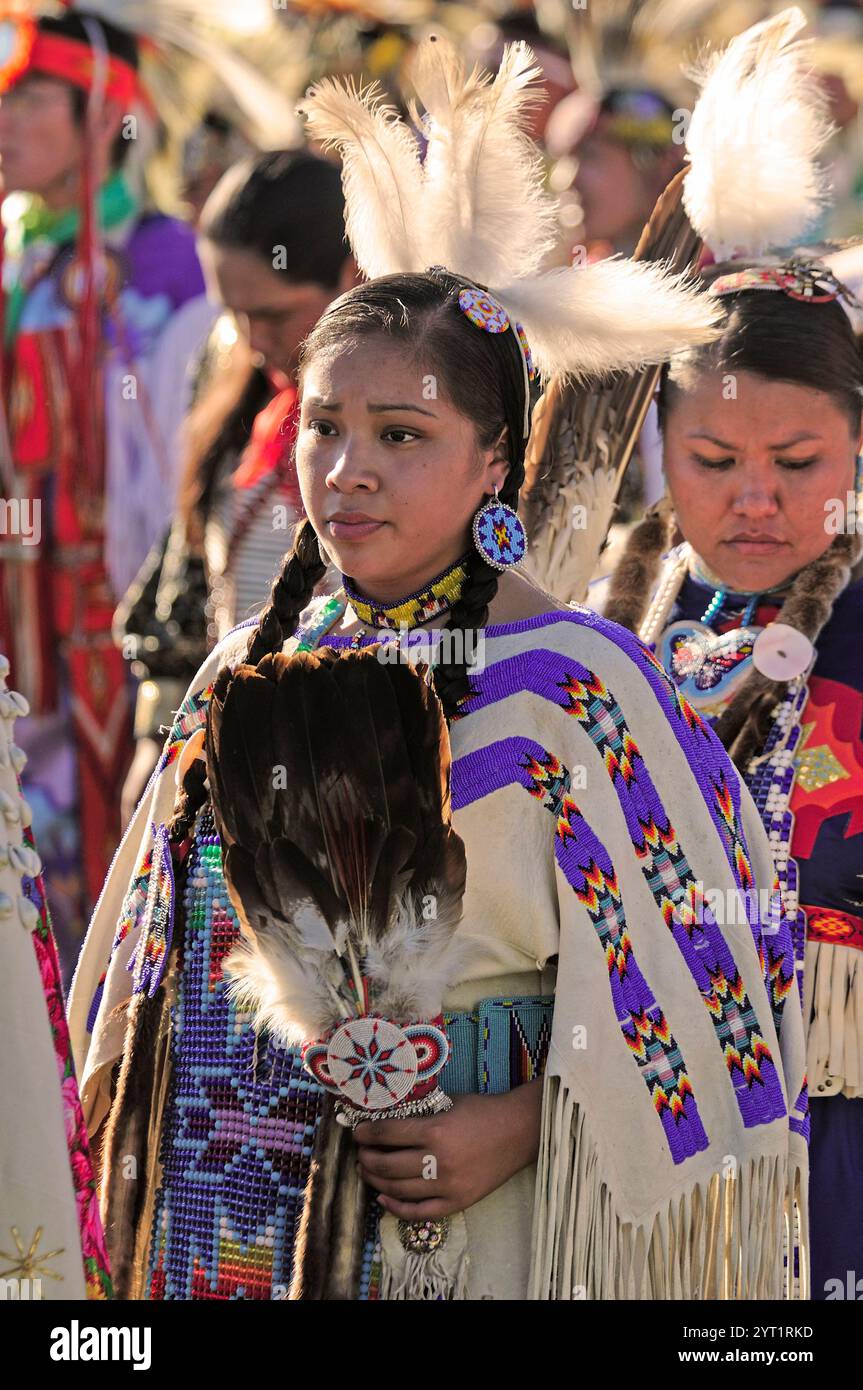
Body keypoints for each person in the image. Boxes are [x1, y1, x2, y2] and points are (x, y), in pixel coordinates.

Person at [68, 32, 805, 1302]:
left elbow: (721, 989)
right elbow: (145, 969)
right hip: (250, 1222)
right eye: (324, 426)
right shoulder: (248, 670)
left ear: (492, 466)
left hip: (495, 1227)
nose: (346, 468)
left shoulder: (583, 686)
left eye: (400, 433)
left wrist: (519, 1120)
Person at [601, 9, 862, 1302]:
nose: (751, 501)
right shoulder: (601, 645)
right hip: (641, 1164)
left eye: (796, 466)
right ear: (656, 452)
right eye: (711, 463)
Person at [0, 9, 207, 978]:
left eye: (31, 94)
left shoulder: (166, 273)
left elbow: (169, 479)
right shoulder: (16, 257)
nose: (3, 116)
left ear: (107, 117)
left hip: (104, 646)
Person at [115, 150, 355, 821]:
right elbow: (182, 588)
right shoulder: (235, 392)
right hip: (223, 777)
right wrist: (154, 745)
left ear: (351, 274)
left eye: (274, 315)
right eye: (234, 313)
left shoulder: (420, 425)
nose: (251, 341)